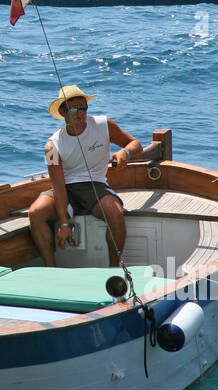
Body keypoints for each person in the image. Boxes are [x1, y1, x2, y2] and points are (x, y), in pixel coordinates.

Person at [28, 84, 143, 268]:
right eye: (74, 108)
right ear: (62, 111)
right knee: (35, 212)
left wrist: (124, 154)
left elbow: (136, 144)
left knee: (115, 213)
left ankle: (113, 270)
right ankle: (50, 268)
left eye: (83, 107)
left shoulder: (104, 125)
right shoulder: (51, 146)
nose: (80, 113)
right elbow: (58, 187)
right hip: (66, 191)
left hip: (96, 186)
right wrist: (64, 224)